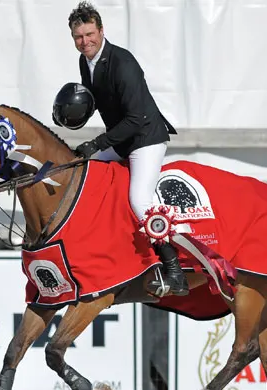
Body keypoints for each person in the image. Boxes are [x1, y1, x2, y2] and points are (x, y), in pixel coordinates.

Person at [52, 1, 188, 297]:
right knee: (85, 174)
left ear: (101, 31)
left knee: (139, 201)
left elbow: (136, 118)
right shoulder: (85, 62)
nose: (85, 42)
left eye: (90, 34)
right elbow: (98, 100)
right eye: (78, 37)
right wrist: (71, 113)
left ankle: (174, 270)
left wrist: (98, 143)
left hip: (145, 139)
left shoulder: (123, 63)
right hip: (122, 138)